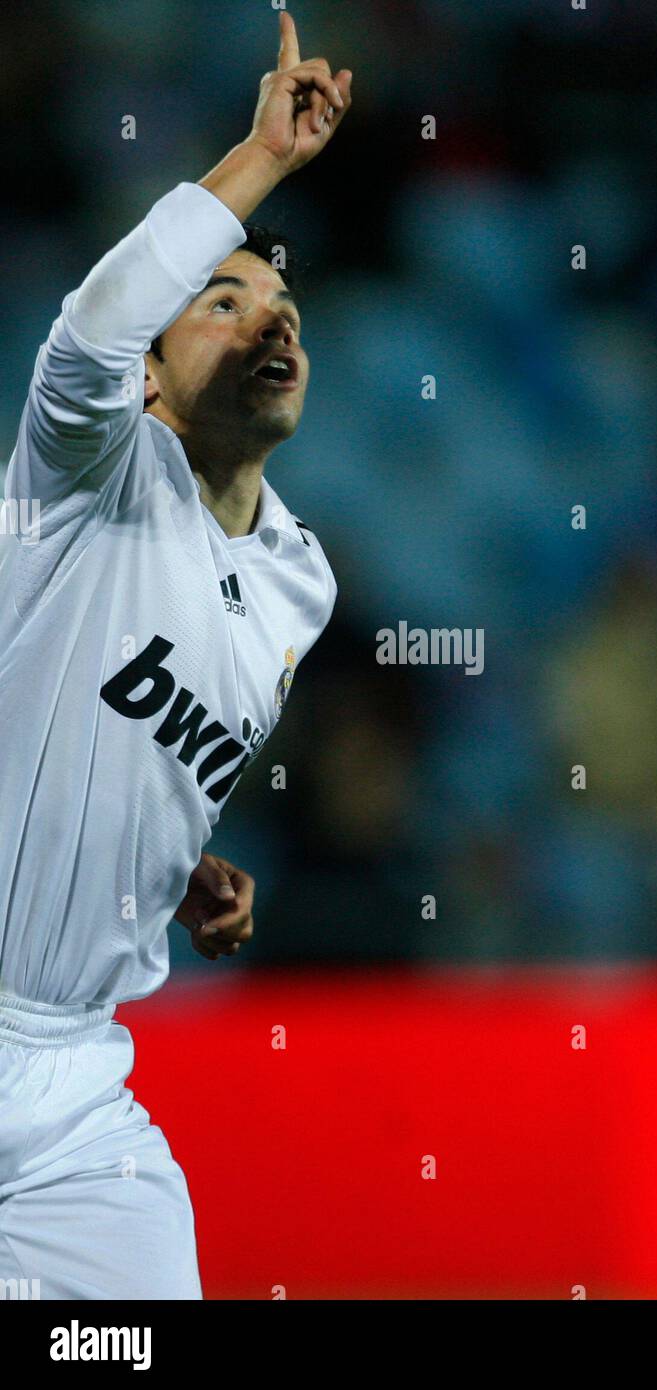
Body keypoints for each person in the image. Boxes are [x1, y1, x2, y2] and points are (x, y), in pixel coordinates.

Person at [0, 11, 351, 1299]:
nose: (273, 323)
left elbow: (115, 730)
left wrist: (164, 856)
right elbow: (91, 327)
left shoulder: (301, 585)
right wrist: (258, 161)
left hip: (78, 1088)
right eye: (224, 300)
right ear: (149, 382)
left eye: (287, 306)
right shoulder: (82, 468)